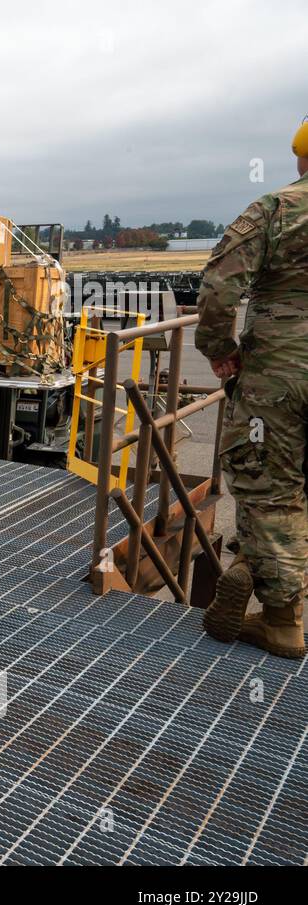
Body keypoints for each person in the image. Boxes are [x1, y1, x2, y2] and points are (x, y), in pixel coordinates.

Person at [197, 119, 308, 659]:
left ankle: (282, 618)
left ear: (299, 157)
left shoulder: (275, 209)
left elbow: (220, 286)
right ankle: (254, 562)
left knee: (269, 483)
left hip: (282, 371)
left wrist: (220, 349)